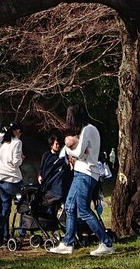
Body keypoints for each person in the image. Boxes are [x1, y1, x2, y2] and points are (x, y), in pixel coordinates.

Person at [47, 104, 114, 256]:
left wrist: (68, 146)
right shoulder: (86, 130)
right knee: (70, 207)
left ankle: (106, 242)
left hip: (86, 173)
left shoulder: (88, 130)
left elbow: (78, 152)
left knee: (83, 209)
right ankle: (68, 243)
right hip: (81, 172)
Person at [0, 121, 26, 237]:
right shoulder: (17, 142)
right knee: (24, 204)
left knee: (5, 207)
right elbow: (16, 162)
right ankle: (22, 231)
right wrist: (22, 158)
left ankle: (5, 233)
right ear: (17, 131)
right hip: (14, 179)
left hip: (1, 179)